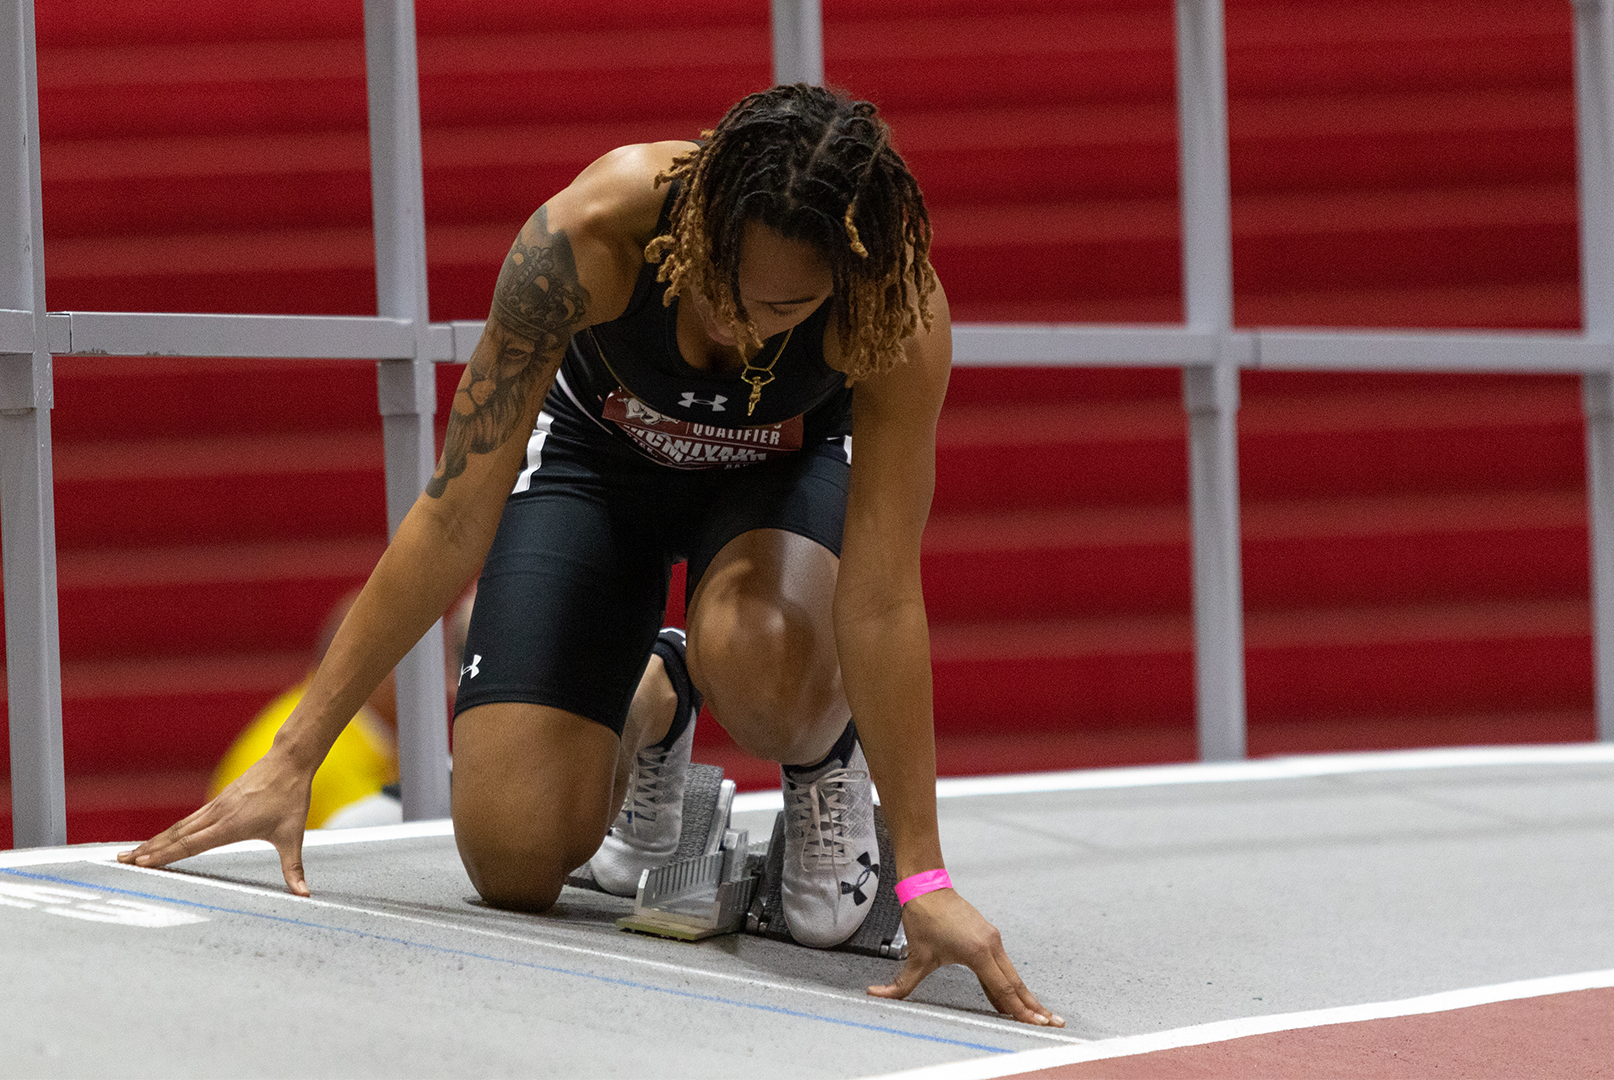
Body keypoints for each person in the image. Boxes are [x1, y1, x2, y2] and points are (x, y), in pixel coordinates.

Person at [122, 84, 1059, 1027]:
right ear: (696, 221)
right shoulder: (587, 236)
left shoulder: (893, 311)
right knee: (514, 859)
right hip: (598, 460)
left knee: (763, 655)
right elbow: (452, 516)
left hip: (780, 474)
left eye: (783, 305)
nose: (740, 321)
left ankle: (822, 771)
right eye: (721, 282)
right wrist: (296, 755)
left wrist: (923, 871)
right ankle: (659, 697)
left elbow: (886, 597)